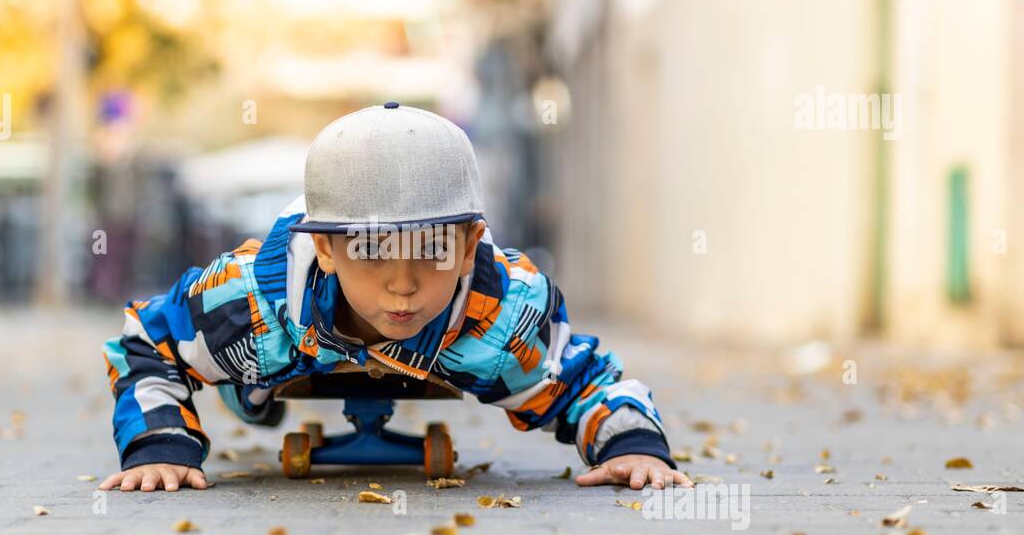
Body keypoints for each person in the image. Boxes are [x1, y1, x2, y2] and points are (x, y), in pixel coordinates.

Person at [99, 103, 691, 494]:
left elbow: (583, 380)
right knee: (242, 366)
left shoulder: (505, 318)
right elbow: (147, 340)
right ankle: (249, 391)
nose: (402, 284)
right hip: (291, 340)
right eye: (373, 252)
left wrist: (633, 446)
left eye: (432, 252)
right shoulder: (248, 303)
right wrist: (159, 444)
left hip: (448, 343)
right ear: (327, 250)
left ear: (468, 248)